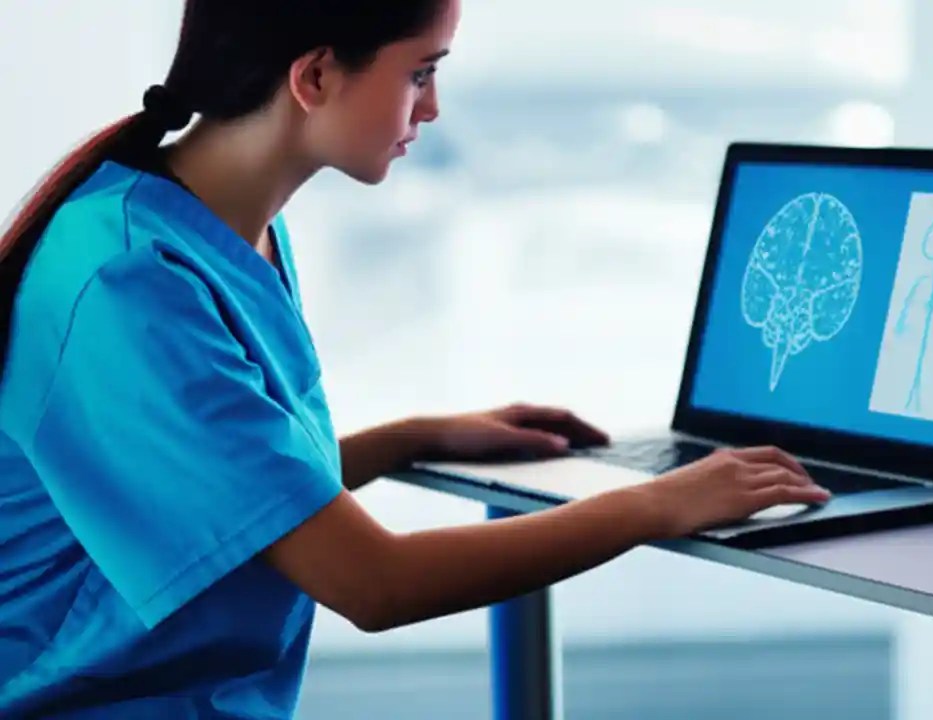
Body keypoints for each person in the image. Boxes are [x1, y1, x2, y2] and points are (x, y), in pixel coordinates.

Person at [0, 1, 832, 717]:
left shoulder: (226, 231)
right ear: (316, 77)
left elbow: (236, 497)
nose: (432, 109)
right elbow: (373, 584)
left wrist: (410, 438)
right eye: (421, 73)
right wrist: (658, 504)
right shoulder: (129, 279)